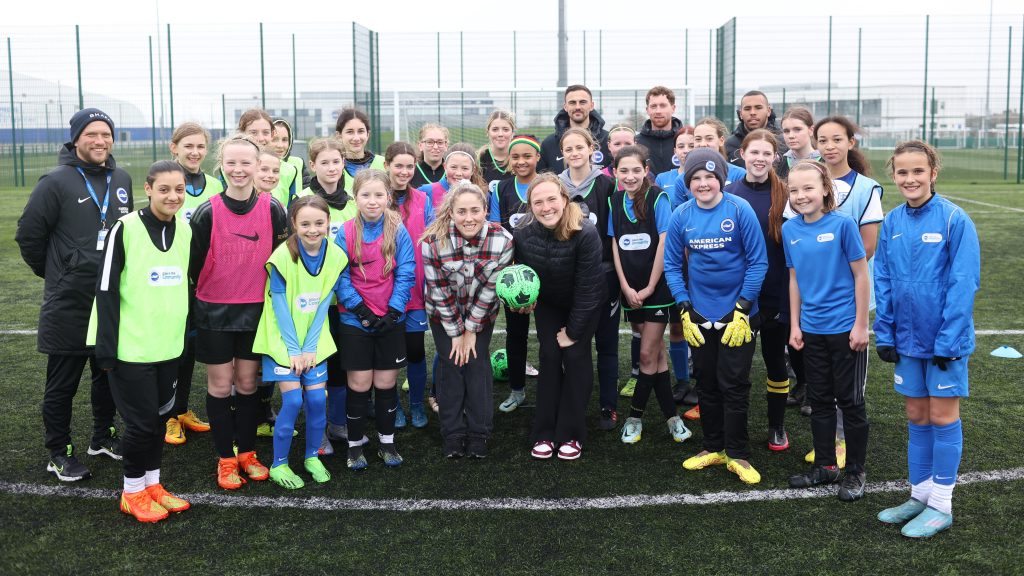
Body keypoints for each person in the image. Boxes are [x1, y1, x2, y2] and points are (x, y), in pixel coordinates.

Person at [16, 107, 130, 481]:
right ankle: (58, 451)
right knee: (63, 382)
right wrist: (56, 273)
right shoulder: (56, 181)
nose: (100, 141)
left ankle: (103, 436)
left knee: (107, 373)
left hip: (110, 299)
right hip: (69, 301)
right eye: (92, 134)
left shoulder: (122, 177)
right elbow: (29, 235)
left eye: (106, 135)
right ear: (76, 138)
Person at [874, 140, 980, 538]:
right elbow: (882, 279)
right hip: (906, 341)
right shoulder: (893, 222)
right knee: (916, 417)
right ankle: (919, 495)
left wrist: (949, 341)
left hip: (943, 344)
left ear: (933, 172)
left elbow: (963, 283)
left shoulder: (955, 220)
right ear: (894, 176)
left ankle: (942, 505)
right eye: (902, 172)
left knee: (942, 416)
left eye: (918, 171)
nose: (910, 178)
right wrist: (885, 332)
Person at [89, 160, 192, 522]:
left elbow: (183, 287)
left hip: (168, 347)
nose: (172, 196)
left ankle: (153, 485)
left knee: (159, 422)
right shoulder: (126, 228)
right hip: (130, 348)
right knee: (141, 424)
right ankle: (132, 492)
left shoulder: (186, 230)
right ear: (147, 189)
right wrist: (105, 348)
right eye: (164, 189)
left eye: (178, 189)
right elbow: (105, 289)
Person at [189, 134, 290, 490]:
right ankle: (225, 459)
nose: (238, 169)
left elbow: (281, 263)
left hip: (255, 311)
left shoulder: (274, 209)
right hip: (215, 312)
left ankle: (247, 453)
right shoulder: (206, 212)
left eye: (246, 163)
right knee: (220, 386)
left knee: (248, 384)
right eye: (231, 163)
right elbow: (193, 268)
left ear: (257, 165)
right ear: (222, 165)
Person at [664, 147, 767, 485]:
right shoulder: (681, 215)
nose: (704, 183)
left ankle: (737, 453)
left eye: (710, 177)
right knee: (706, 382)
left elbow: (757, 262)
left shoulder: (740, 209)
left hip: (737, 313)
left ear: (721, 179)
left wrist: (742, 308)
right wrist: (683, 307)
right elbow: (672, 266)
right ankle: (713, 446)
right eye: (696, 178)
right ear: (688, 182)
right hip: (698, 312)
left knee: (734, 384)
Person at [783, 159, 870, 502]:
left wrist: (861, 324)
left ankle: (855, 471)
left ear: (824, 190)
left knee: (850, 402)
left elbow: (862, 275)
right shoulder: (790, 230)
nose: (801, 195)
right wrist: (795, 324)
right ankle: (825, 466)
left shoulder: (844, 225)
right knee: (818, 400)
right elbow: (794, 280)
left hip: (845, 329)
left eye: (808, 188)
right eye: (794, 190)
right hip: (811, 330)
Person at [800, 115, 884, 468]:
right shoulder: (806, 182)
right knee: (819, 380)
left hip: (849, 297)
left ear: (852, 142)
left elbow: (866, 247)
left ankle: (843, 441)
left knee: (847, 383)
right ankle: (829, 444)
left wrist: (829, 271)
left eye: (837, 139)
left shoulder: (867, 188)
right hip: (814, 298)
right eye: (823, 140)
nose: (829, 146)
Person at [252, 195, 348, 490]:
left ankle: (311, 457)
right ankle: (279, 464)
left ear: (328, 223)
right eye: (305, 223)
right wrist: (294, 350)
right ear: (293, 223)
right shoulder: (282, 256)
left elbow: (322, 306)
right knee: (293, 400)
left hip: (313, 338)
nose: (313, 229)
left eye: (319, 223)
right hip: (282, 338)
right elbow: (279, 307)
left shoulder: (335, 255)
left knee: (318, 400)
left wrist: (310, 348)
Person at [513, 174, 604, 461]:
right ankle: (543, 431)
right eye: (537, 202)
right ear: (530, 206)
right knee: (550, 356)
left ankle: (572, 433)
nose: (546, 207)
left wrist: (573, 332)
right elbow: (520, 275)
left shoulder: (585, 232)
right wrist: (524, 300)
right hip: (550, 303)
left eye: (552, 199)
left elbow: (588, 291)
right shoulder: (524, 232)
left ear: (564, 199)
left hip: (584, 302)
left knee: (575, 356)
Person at [422, 182, 514, 458]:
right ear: (451, 212)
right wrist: (456, 332)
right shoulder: (432, 241)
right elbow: (437, 290)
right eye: (461, 211)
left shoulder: (503, 240)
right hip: (444, 314)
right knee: (451, 364)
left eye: (475, 210)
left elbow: (489, 291)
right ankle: (453, 433)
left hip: (481, 313)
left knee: (476, 364)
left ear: (486, 210)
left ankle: (479, 433)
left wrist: (471, 330)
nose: (469, 217)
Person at [334, 169, 415, 470]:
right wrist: (360, 310)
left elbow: (406, 271)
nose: (372, 201)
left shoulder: (398, 229)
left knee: (385, 382)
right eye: (365, 195)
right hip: (356, 321)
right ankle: (355, 447)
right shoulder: (345, 231)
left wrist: (394, 310)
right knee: (359, 383)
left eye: (378, 195)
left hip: (390, 321)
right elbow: (340, 276)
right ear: (355, 198)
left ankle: (387, 443)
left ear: (388, 197)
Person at [609, 145, 691, 445]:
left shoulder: (659, 198)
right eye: (623, 170)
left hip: (656, 290)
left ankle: (635, 418)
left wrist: (647, 288)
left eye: (635, 170)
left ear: (646, 170)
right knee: (656, 357)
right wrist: (626, 287)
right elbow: (615, 245)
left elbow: (665, 245)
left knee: (646, 354)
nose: (629, 176)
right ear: (615, 172)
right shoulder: (614, 200)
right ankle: (672, 417)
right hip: (630, 289)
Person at [725, 129, 793, 452]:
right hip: (740, 299)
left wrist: (786, 298)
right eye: (755, 152)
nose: (760, 159)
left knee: (775, 363)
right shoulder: (728, 193)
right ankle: (733, 430)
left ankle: (777, 426)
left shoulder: (786, 194)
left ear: (775, 158)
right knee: (737, 366)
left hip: (776, 296)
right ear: (742, 154)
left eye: (767, 154)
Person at [297, 138, 359, 455]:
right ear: (312, 166)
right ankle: (317, 431)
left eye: (337, 161)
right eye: (324, 162)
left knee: (340, 366)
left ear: (343, 163)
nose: (332, 168)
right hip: (312, 301)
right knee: (314, 367)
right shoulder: (303, 199)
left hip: (345, 300)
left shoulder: (353, 204)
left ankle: (337, 422)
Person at [557, 128, 619, 431]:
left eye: (578, 147)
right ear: (562, 153)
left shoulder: (608, 184)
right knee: (573, 346)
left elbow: (615, 232)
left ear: (591, 148)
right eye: (568, 149)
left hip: (604, 275)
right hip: (569, 279)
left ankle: (608, 405)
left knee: (606, 345)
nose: (574, 153)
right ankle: (573, 402)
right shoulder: (556, 186)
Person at [164, 122, 220, 446]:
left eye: (200, 146)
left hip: (207, 281)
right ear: (175, 148)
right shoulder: (168, 181)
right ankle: (168, 416)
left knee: (193, 349)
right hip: (174, 281)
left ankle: (182, 409)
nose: (195, 152)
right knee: (174, 350)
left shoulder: (214, 184)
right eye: (188, 146)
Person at [488, 135, 544, 412]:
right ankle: (517, 390)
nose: (521, 161)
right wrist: (510, 271)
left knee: (550, 333)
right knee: (515, 333)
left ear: (537, 158)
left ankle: (553, 387)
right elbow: (497, 229)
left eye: (527, 156)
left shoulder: (547, 185)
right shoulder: (501, 188)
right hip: (513, 277)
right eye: (515, 157)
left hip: (547, 271)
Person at [386, 141, 435, 429]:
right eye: (398, 165)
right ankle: (392, 406)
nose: (404, 171)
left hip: (415, 288)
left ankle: (416, 404)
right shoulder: (376, 197)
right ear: (387, 166)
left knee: (415, 350)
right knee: (390, 354)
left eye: (409, 166)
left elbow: (429, 239)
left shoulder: (423, 199)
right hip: (384, 289)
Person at [538, 84, 611, 174]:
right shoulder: (549, 144)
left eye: (582, 102)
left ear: (591, 105)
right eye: (572, 103)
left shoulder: (607, 141)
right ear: (565, 107)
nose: (577, 107)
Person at [238, 108, 298, 209]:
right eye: (253, 133)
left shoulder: (290, 171)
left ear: (272, 134)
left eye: (265, 133)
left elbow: (290, 209)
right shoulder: (230, 168)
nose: (260, 138)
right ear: (242, 134)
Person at [724, 90, 785, 167]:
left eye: (758, 108)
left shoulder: (784, 142)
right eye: (747, 109)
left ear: (768, 111)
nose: (752, 112)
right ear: (741, 114)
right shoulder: (729, 145)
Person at [420, 143, 487, 209]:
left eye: (465, 168)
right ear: (445, 166)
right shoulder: (425, 192)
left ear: (473, 170)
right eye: (453, 167)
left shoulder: (482, 194)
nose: (458, 173)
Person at [636, 86, 684, 175]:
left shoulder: (686, 141)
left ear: (673, 108)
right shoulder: (636, 142)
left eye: (663, 106)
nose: (658, 111)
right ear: (647, 110)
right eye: (653, 106)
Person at [336, 108, 386, 190]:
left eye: (361, 131)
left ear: (368, 134)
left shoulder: (384, 163)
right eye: (350, 132)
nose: (356, 138)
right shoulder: (333, 168)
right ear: (339, 136)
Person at [656, 125, 695, 208]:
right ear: (675, 151)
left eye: (691, 146)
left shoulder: (708, 179)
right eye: (681, 146)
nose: (686, 151)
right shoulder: (662, 179)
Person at [778, 106, 820, 181]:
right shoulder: (780, 163)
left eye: (797, 129)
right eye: (786, 131)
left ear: (811, 130)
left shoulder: (824, 161)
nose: (791, 136)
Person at [478, 110, 516, 187]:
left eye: (505, 129)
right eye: (495, 129)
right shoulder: (479, 159)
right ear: (488, 132)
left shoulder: (519, 158)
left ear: (513, 133)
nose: (500, 134)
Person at [272, 118, 311, 189]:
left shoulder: (299, 163)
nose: (280, 145)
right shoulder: (256, 164)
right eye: (274, 139)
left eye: (284, 140)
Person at [410, 123, 449, 189]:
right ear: (420, 145)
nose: (435, 147)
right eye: (430, 142)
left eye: (440, 142)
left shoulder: (452, 173)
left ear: (446, 146)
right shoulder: (411, 172)